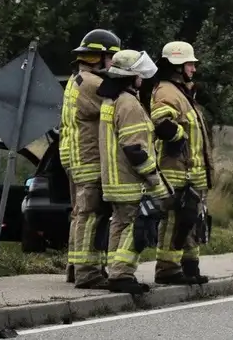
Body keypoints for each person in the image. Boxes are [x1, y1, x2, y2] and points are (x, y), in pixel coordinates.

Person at [96, 49, 173, 294]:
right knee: (135, 227)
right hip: (129, 181)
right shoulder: (129, 103)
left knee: (118, 226)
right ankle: (121, 274)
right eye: (139, 73)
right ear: (131, 76)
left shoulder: (111, 100)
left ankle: (114, 271)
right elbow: (136, 149)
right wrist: (154, 180)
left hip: (112, 180)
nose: (142, 77)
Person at [146, 41, 214, 285]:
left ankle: (189, 266)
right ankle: (167, 269)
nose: (193, 69)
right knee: (174, 221)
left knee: (191, 221)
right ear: (177, 65)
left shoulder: (182, 92)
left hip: (190, 173)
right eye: (189, 64)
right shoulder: (166, 91)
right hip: (177, 172)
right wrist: (179, 137)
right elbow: (161, 122)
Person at [59, 28, 121, 289]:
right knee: (90, 214)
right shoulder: (94, 85)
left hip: (76, 158)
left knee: (81, 214)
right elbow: (117, 110)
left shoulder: (77, 80)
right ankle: (88, 272)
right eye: (112, 58)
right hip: (90, 158)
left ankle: (75, 267)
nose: (114, 64)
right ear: (99, 57)